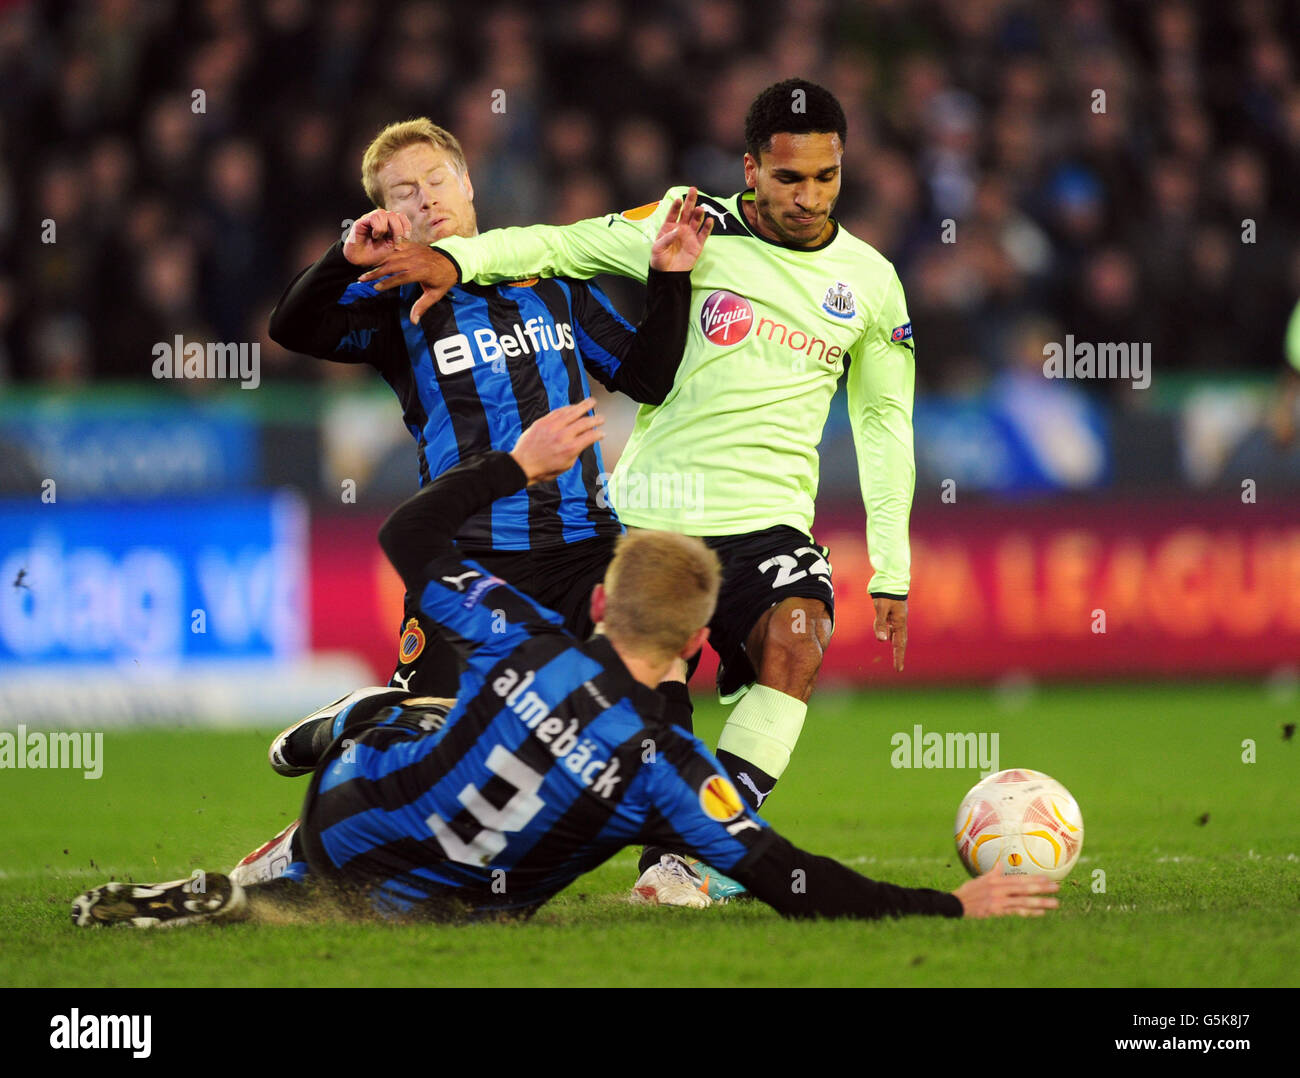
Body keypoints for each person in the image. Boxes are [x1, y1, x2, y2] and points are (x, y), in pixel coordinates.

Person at [72, 403, 1058, 927]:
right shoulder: (674, 779)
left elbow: (406, 533)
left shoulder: (514, 632)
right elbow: (793, 880)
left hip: (347, 816)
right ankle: (269, 888)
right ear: (692, 641)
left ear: (600, 601)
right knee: (427, 876)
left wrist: (516, 465)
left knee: (431, 718)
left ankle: (344, 758)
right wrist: (947, 905)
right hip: (441, 908)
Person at [354, 79, 916, 901]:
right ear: (752, 168)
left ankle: (687, 857)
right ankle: (371, 794)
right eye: (790, 178)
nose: (809, 196)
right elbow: (556, 245)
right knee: (604, 715)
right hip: (653, 517)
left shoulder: (871, 283)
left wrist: (892, 567)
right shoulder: (686, 221)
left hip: (769, 524)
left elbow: (885, 425)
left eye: (826, 177)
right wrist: (457, 258)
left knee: (799, 639)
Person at [244, 119, 709, 886]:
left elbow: (647, 376)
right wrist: (344, 255)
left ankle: (672, 862)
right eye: (402, 193)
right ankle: (344, 758)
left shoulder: (553, 281)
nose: (423, 200)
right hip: (468, 552)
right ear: (385, 211)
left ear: (466, 185)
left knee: (654, 665)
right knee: (429, 753)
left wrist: (669, 278)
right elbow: (294, 327)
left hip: (583, 541)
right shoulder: (395, 299)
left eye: (434, 181)